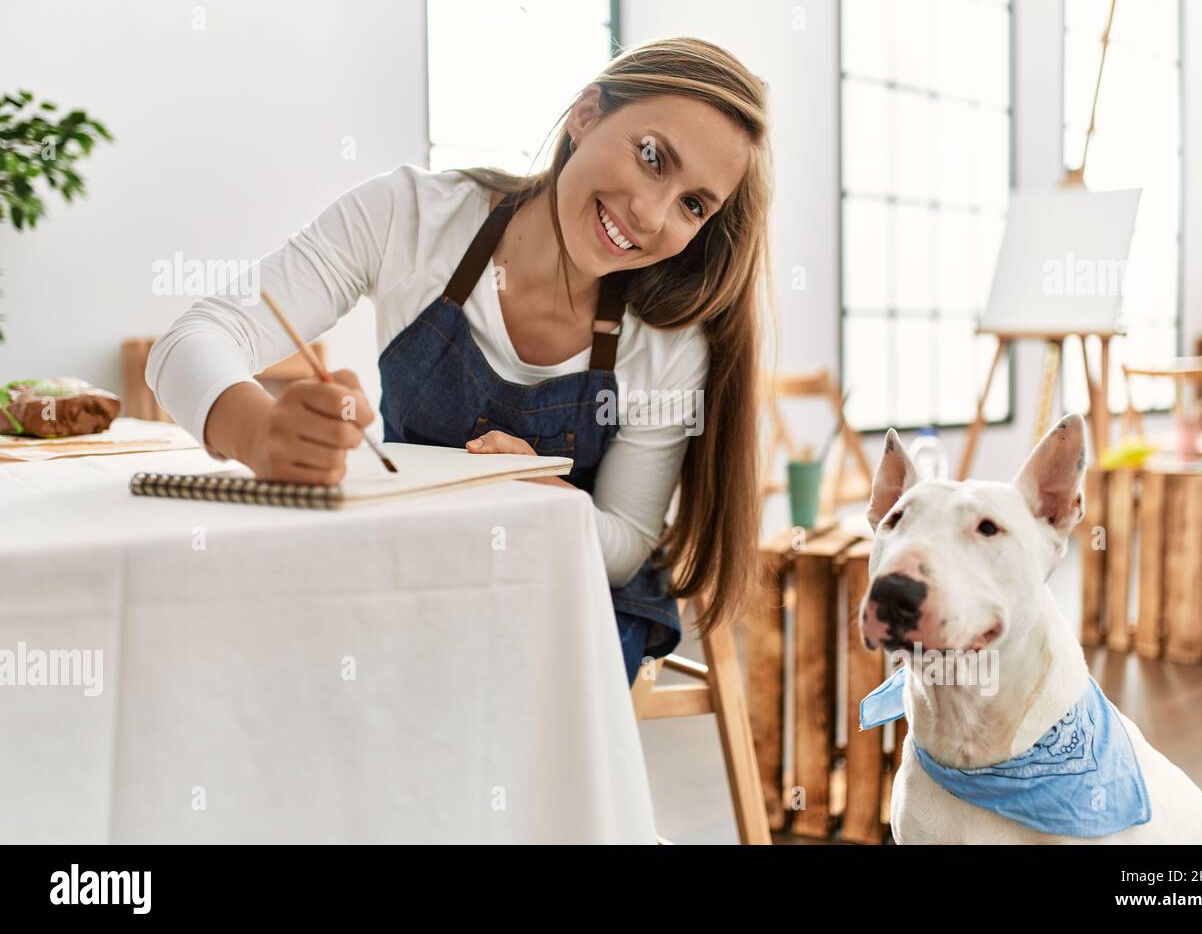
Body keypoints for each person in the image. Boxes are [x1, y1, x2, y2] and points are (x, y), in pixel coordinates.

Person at [147, 37, 775, 685]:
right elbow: (189, 343)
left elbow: (622, 545)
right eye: (651, 156)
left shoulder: (669, 343)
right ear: (586, 114)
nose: (650, 213)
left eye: (693, 205)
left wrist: (546, 501)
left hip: (571, 593)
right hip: (416, 560)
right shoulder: (410, 218)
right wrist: (260, 432)